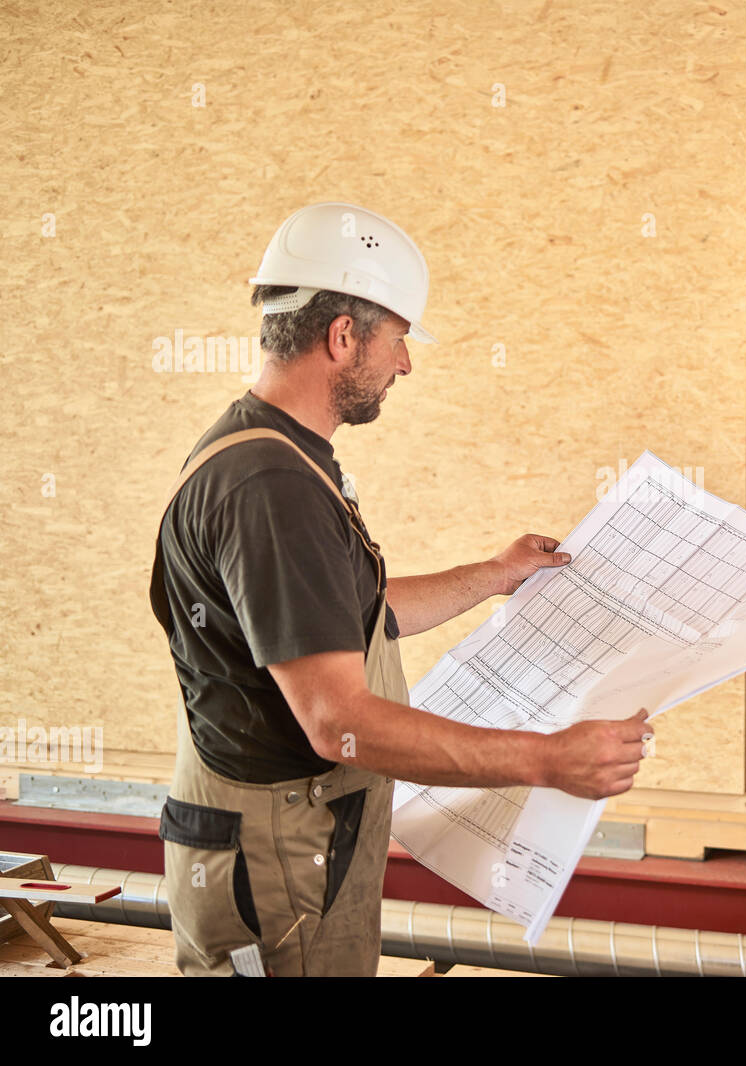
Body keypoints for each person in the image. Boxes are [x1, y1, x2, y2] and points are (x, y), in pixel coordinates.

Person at [149, 202, 652, 977]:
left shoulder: (268, 448)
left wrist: (492, 575)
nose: (406, 364)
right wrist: (546, 761)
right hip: (280, 861)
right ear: (342, 336)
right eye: (398, 339)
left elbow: (347, 617)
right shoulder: (272, 487)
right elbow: (337, 722)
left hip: (287, 843)